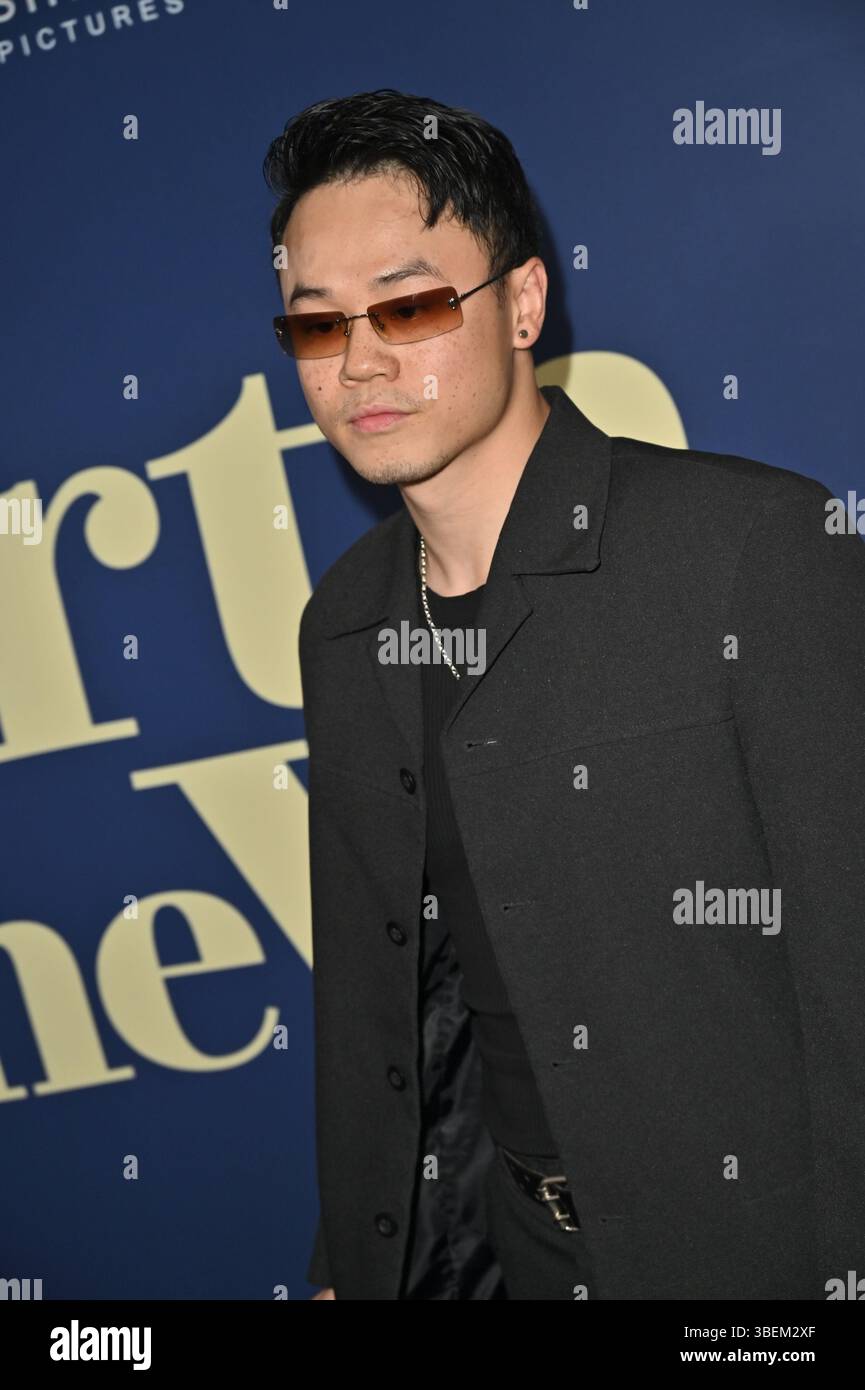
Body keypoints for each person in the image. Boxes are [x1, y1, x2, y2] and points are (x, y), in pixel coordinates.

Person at [263, 89, 865, 1300]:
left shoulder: (754, 548)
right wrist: (355, 1258)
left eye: (412, 302)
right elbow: (392, 1008)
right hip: (504, 1258)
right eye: (316, 326)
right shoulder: (344, 622)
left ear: (523, 302)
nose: (361, 357)